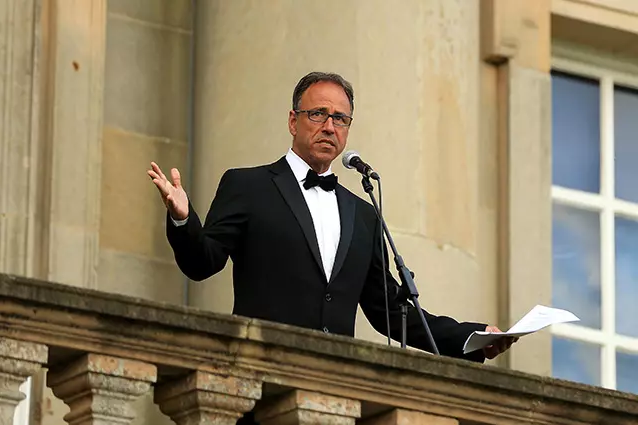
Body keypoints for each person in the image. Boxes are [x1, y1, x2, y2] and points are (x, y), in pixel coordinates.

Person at [148, 71, 516, 361]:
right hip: (261, 382)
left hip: (336, 393)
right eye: (318, 114)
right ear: (293, 121)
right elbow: (202, 263)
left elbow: (389, 311)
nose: (329, 126)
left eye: (340, 118)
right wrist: (183, 218)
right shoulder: (248, 186)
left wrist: (472, 337)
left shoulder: (363, 214)